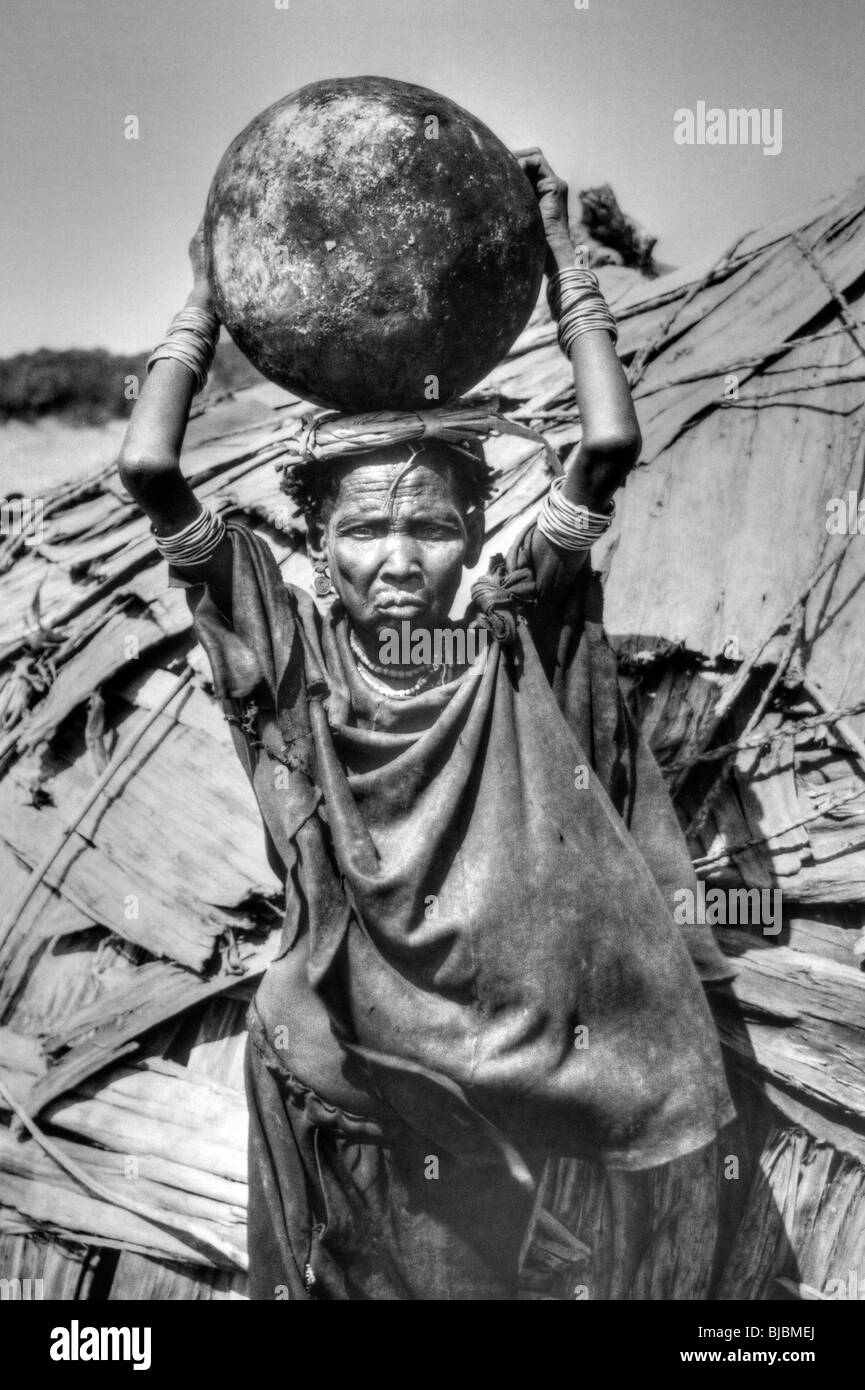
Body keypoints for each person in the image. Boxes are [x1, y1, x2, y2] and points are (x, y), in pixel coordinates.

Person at [118, 150, 735, 1301]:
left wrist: (564, 269)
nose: (397, 559)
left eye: (430, 526)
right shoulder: (294, 655)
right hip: (365, 1085)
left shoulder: (511, 638)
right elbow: (149, 464)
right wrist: (205, 300)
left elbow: (603, 447)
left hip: (535, 1075)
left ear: (473, 534)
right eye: (363, 531)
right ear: (315, 550)